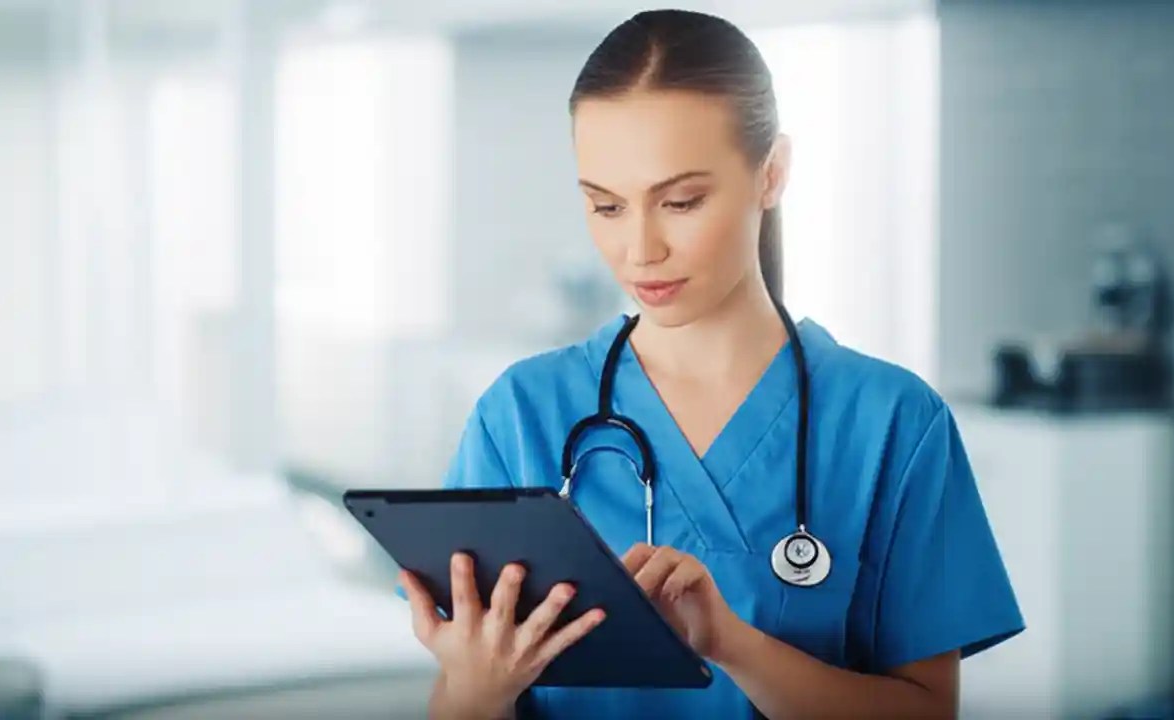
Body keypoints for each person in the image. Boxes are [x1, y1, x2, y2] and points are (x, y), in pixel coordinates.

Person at [397, 8, 1024, 719]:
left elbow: (928, 712)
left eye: (682, 201)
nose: (640, 249)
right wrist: (476, 692)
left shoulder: (891, 424)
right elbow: (458, 701)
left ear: (772, 173)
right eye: (606, 206)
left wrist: (730, 643)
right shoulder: (520, 416)